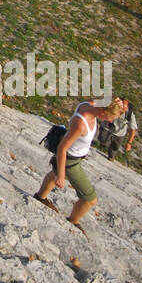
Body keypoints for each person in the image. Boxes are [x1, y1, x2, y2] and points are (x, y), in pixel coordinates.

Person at [33, 96, 128, 229]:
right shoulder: (81, 123)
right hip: (71, 161)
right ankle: (73, 221)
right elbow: (62, 148)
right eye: (111, 118)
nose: (111, 121)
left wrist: (114, 102)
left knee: (54, 173)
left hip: (74, 156)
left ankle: (40, 197)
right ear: (103, 112)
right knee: (90, 199)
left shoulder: (89, 105)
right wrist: (60, 175)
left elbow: (101, 101)